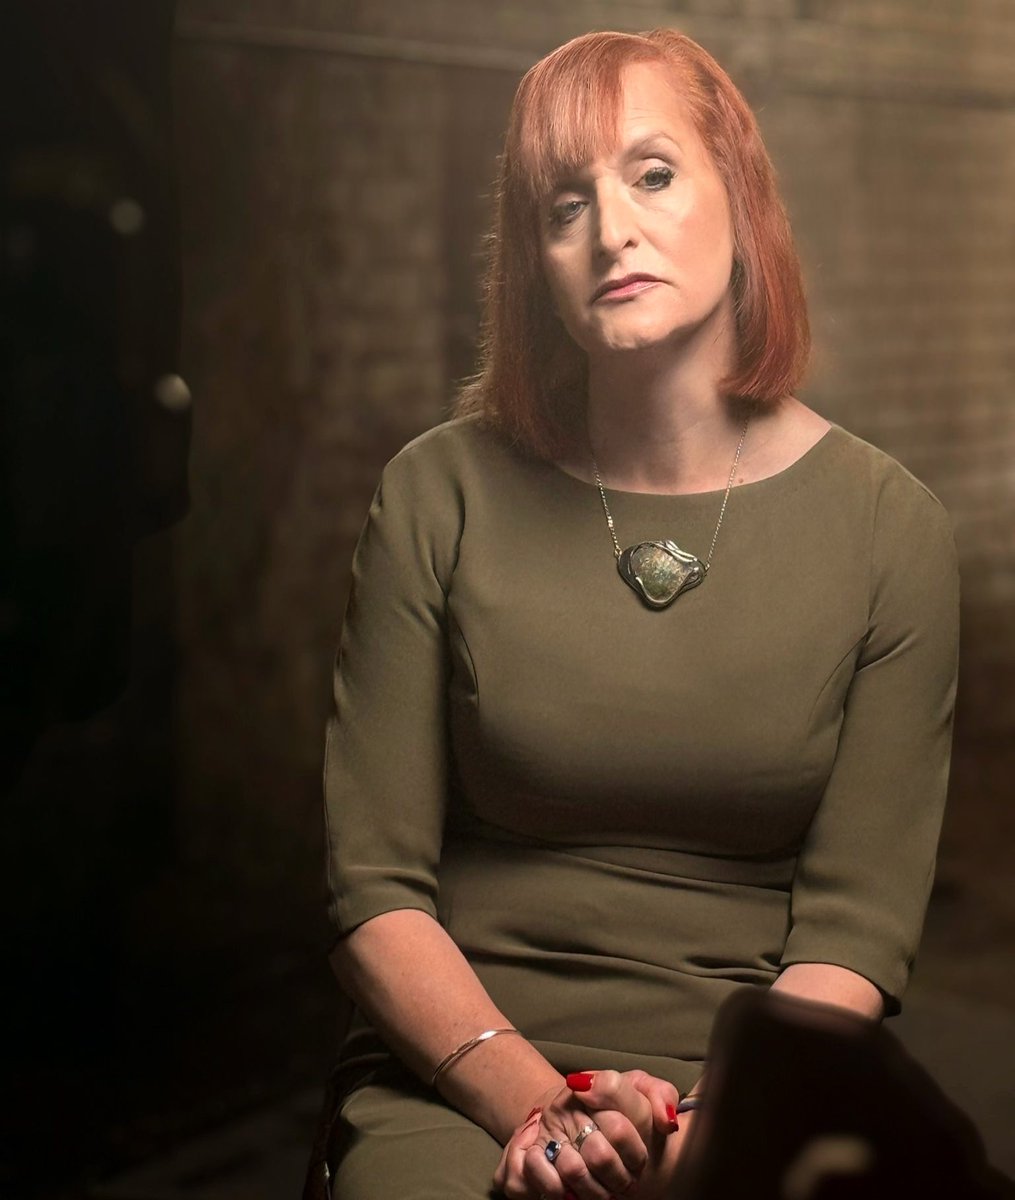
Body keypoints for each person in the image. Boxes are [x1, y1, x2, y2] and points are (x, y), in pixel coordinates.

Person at [319, 27, 959, 1200]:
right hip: (463, 1069)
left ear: (740, 196)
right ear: (537, 264)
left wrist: (692, 1140)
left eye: (652, 174)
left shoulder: (890, 529)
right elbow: (373, 893)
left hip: (752, 1088)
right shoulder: (435, 492)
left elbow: (853, 937)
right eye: (565, 206)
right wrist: (540, 1110)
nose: (611, 229)